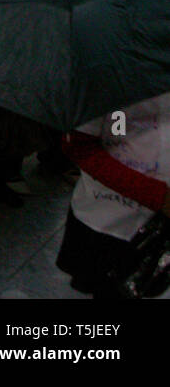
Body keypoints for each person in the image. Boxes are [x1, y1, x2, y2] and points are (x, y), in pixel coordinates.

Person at [56, 91, 170, 298]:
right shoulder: (107, 74)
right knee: (107, 287)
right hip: (109, 219)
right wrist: (158, 196)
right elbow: (78, 146)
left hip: (159, 227)